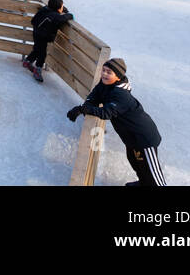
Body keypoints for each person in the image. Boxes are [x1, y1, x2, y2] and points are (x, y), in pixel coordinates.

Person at [68, 58, 165, 186]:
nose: (104, 74)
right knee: (136, 164)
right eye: (103, 70)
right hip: (131, 138)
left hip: (143, 138)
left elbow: (105, 113)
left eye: (109, 72)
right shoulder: (104, 84)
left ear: (118, 77)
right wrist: (88, 106)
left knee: (152, 174)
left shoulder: (121, 95)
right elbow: (93, 96)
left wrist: (82, 109)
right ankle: (144, 183)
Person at [23, 0, 74, 82]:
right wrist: (69, 15)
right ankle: (38, 69)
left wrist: (62, 9)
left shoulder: (45, 9)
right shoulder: (55, 16)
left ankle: (28, 61)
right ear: (58, 8)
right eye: (62, 6)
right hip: (43, 36)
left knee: (37, 49)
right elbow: (63, 18)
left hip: (37, 33)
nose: (62, 8)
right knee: (42, 54)